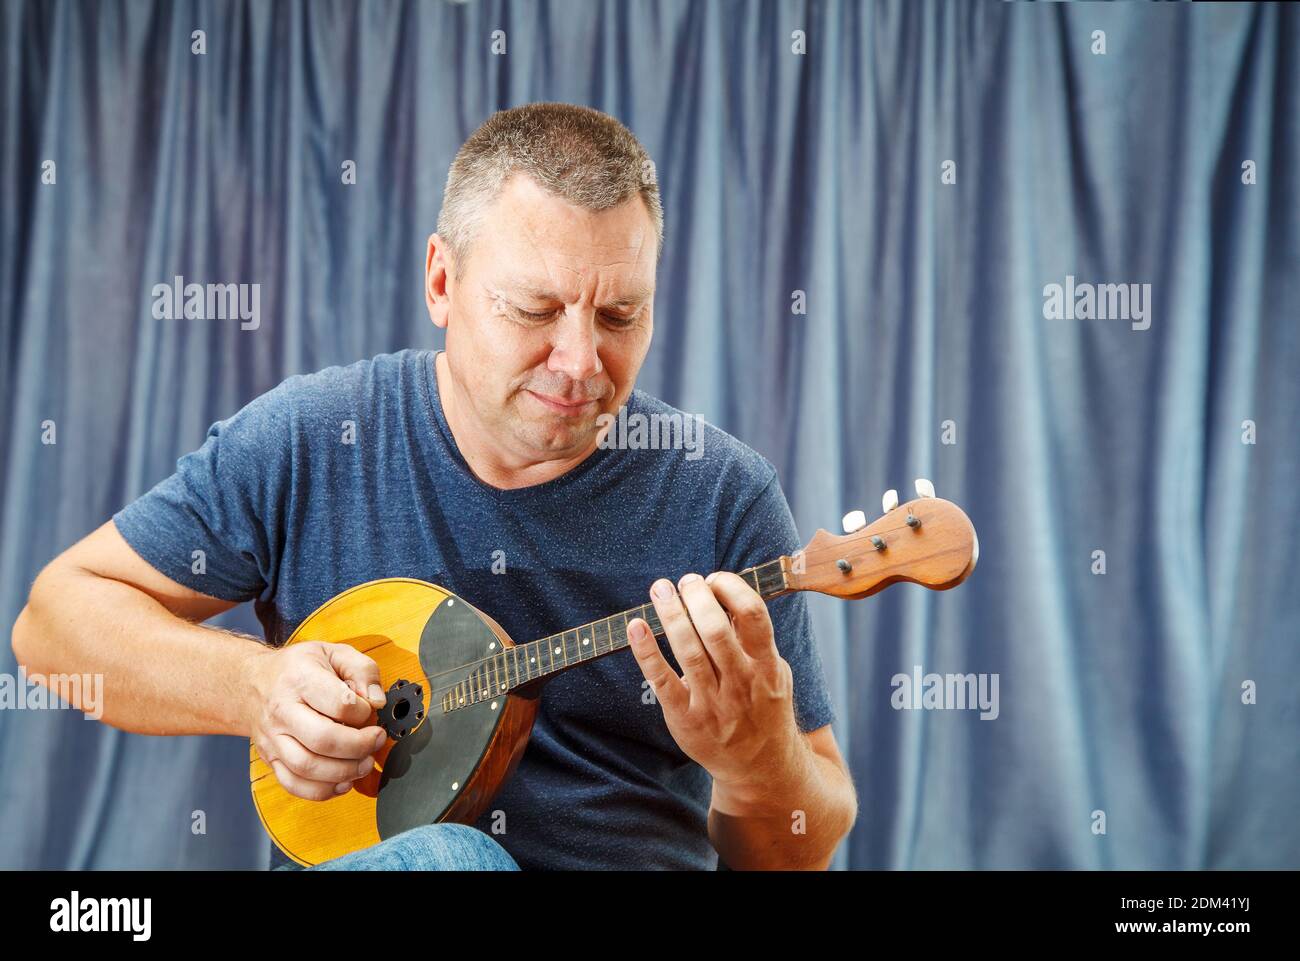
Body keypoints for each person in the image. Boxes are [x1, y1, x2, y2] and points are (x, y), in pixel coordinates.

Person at [11, 102, 857, 870]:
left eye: (619, 316)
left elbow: (799, 849)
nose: (579, 362)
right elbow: (53, 624)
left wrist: (758, 764)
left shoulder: (722, 495)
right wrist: (254, 687)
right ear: (442, 282)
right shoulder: (312, 438)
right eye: (534, 309)